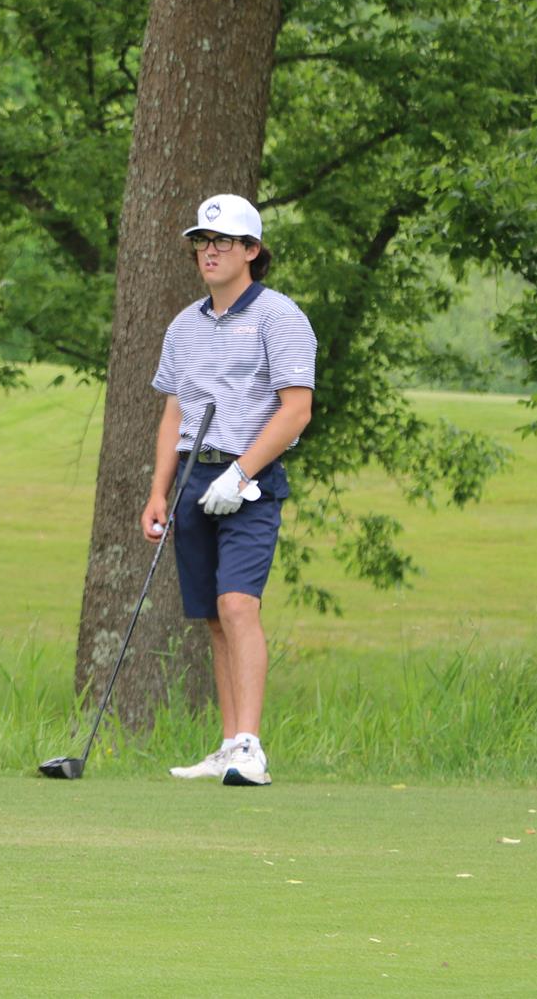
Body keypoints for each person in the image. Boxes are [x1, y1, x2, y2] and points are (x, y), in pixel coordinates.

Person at [140, 192, 315, 787]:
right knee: (214, 616)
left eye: (222, 242)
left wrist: (241, 474)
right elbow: (174, 413)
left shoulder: (280, 316)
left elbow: (295, 411)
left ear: (252, 251)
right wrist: (159, 491)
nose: (208, 251)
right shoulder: (184, 325)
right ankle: (228, 743)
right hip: (191, 476)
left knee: (239, 604)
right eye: (201, 242)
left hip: (252, 481)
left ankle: (251, 747)